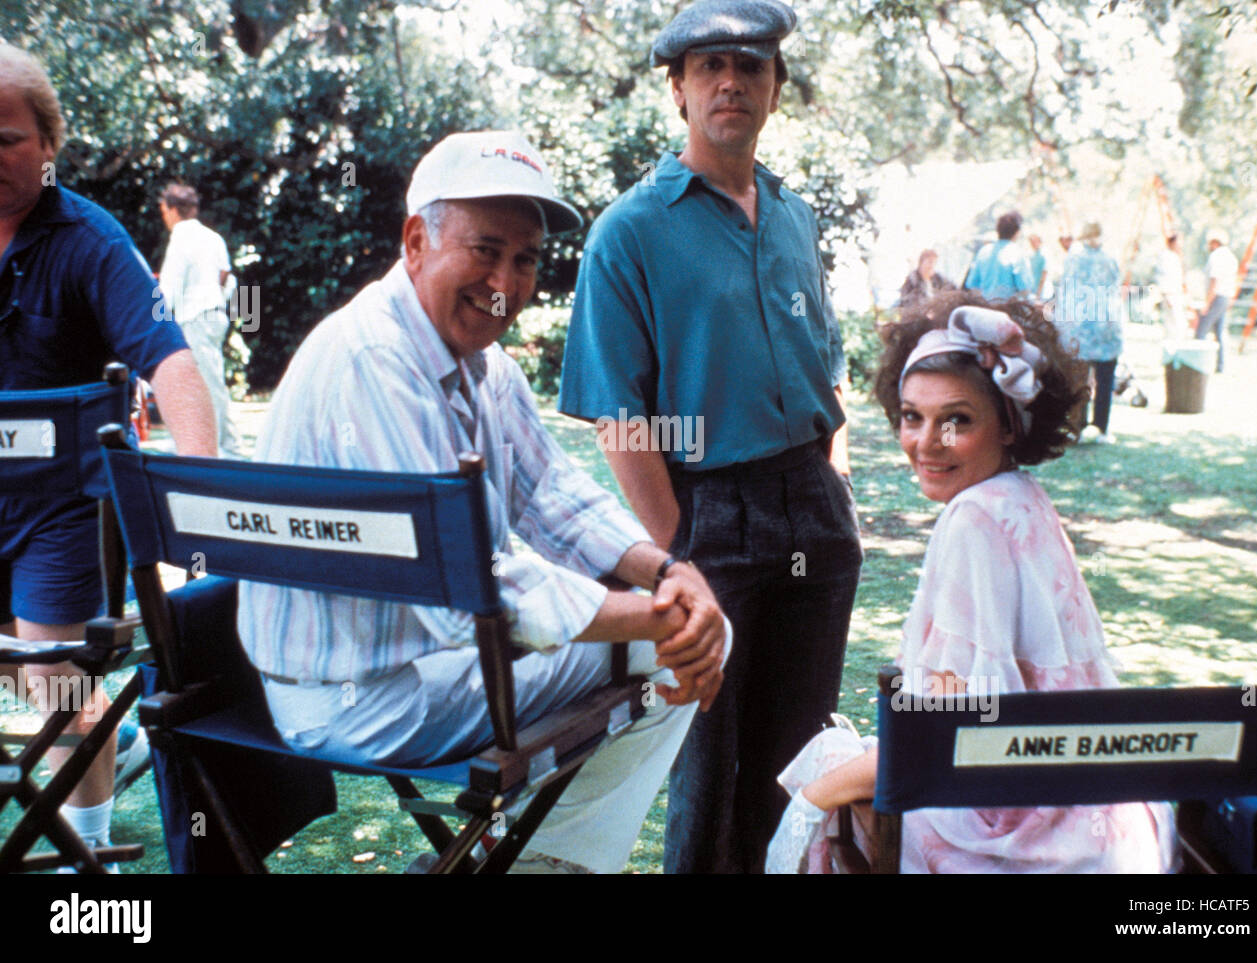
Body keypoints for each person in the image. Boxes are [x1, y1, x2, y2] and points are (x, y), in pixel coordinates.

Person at [238, 130, 729, 874]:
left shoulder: (481, 363)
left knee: (687, 634)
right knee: (684, 644)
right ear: (415, 242)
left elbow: (552, 493)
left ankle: (506, 862)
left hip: (413, 664)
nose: (505, 282)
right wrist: (670, 615)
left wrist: (666, 570)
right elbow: (468, 583)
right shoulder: (374, 358)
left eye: (525, 259)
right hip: (355, 696)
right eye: (485, 249)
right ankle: (532, 865)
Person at [558, 0, 862, 874]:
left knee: (799, 757)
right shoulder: (630, 232)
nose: (731, 81)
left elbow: (825, 370)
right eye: (709, 67)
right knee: (707, 760)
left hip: (812, 502)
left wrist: (835, 492)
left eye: (751, 65)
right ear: (680, 92)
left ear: (775, 89)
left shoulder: (794, 216)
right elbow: (622, 416)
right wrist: (675, 551)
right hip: (708, 512)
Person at [767, 292, 1179, 873]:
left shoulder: (974, 520)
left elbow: (951, 736)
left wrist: (812, 800)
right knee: (837, 765)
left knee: (823, 793)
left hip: (1027, 837)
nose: (926, 443)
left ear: (1009, 427)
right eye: (913, 416)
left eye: (956, 420)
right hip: (1105, 815)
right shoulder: (1023, 498)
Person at [0, 47, 216, 865]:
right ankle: (110, 734)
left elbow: (173, 359)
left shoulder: (91, 238)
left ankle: (81, 863)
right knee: (42, 675)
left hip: (64, 507)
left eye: (6, 139)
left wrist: (194, 497)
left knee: (56, 675)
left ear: (49, 142)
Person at [158, 182, 240, 458]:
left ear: (171, 209)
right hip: (215, 315)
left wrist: (158, 324)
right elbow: (225, 274)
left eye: (163, 210)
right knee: (212, 379)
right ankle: (228, 443)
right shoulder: (212, 237)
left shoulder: (181, 238)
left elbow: (170, 288)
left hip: (194, 318)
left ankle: (218, 447)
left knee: (204, 382)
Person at [1056, 221, 1123, 444]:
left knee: (1080, 382)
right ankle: (1102, 429)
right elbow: (1116, 288)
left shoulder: (1073, 259)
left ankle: (1079, 427)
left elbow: (1065, 291)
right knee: (1105, 381)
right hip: (1106, 328)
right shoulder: (1110, 258)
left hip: (1080, 330)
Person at [964, 211, 1034, 301]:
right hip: (1008, 310)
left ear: (998, 230)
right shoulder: (1018, 253)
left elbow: (971, 284)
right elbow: (1025, 289)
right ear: (1017, 232)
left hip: (984, 308)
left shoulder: (983, 251)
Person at [1197, 227, 1237, 374]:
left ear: (1214, 242)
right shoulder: (1231, 257)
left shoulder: (1216, 257)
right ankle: (1220, 365)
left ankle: (1198, 364)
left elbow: (1215, 281)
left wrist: (1207, 304)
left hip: (1217, 297)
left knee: (1201, 331)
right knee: (1219, 333)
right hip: (1226, 297)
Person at [1154, 233, 1186, 340]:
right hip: (1170, 294)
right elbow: (1163, 276)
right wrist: (1167, 294)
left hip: (1176, 294)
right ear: (1172, 242)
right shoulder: (1165, 256)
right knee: (1171, 324)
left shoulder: (1175, 256)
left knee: (1177, 324)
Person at [1027, 233, 1047, 298]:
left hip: (1041, 293)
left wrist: (1038, 293)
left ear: (1039, 241)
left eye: (1034, 241)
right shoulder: (1032, 256)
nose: (1032, 243)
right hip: (1032, 291)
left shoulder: (1043, 255)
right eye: (1031, 241)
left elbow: (1044, 275)